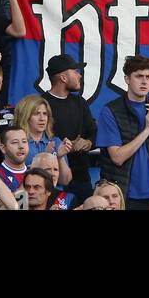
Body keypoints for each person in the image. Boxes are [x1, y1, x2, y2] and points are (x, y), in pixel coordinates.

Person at [96, 55, 149, 210]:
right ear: (127, 79)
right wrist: (147, 130)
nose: (145, 81)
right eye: (139, 76)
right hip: (123, 194)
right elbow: (117, 157)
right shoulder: (111, 110)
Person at [41, 53, 95, 200]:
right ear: (63, 78)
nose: (80, 76)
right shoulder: (41, 105)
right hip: (51, 179)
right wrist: (66, 147)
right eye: (76, 72)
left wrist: (88, 142)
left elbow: (93, 132)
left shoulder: (80, 103)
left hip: (81, 178)